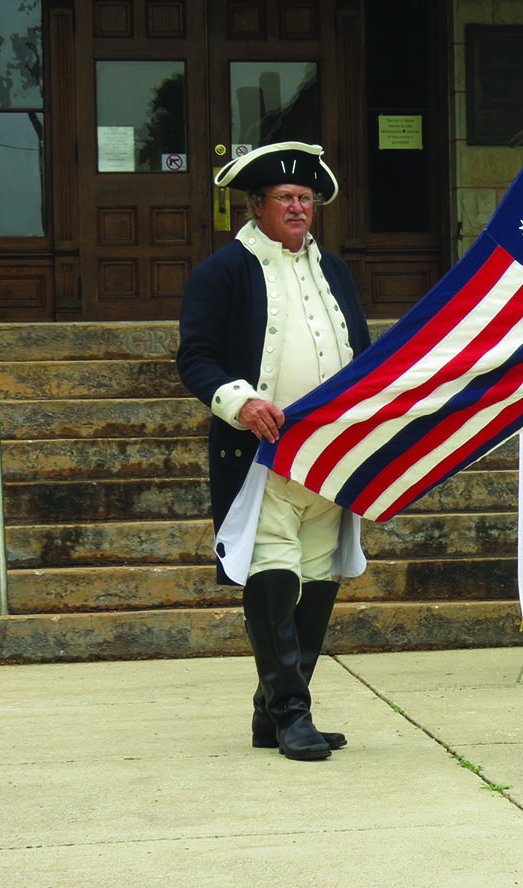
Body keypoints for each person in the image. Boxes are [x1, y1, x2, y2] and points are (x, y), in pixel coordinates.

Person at [178, 142, 372, 760]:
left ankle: (275, 711)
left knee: (316, 581)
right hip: (259, 459)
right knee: (272, 578)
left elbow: (361, 354)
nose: (298, 207)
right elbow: (196, 358)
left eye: (306, 198)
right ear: (256, 205)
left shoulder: (335, 270)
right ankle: (292, 712)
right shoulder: (221, 271)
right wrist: (242, 402)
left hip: (327, 459)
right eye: (286, 198)